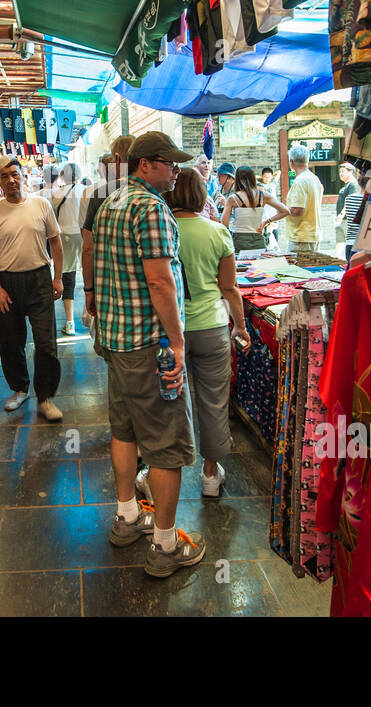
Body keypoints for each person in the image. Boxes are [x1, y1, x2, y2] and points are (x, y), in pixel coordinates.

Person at [88, 131, 207, 578]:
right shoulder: (151, 208)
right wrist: (177, 343)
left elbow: (101, 270)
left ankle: (126, 517)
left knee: (124, 429)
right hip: (149, 346)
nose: (176, 170)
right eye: (169, 162)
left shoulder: (112, 204)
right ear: (145, 165)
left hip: (117, 342)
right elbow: (161, 281)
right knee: (165, 446)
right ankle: (165, 543)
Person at [149, 167, 250, 498]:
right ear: (202, 195)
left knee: (167, 399)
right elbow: (230, 288)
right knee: (213, 400)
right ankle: (210, 474)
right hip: (211, 327)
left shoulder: (161, 230)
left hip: (168, 329)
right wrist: (241, 326)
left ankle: (161, 472)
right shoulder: (218, 232)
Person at [0, 155, 64, 421]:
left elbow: (56, 243)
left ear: (23, 175)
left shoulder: (41, 205)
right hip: (8, 283)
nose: (11, 180)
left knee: (46, 343)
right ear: (0, 182)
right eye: (5, 177)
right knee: (11, 342)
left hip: (39, 280)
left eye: (14, 174)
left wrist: (58, 277)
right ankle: (19, 388)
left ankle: (45, 397)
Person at [80, 135, 133, 345]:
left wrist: (89, 290)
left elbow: (88, 249)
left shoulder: (102, 194)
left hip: (110, 284)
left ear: (117, 159)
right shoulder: (155, 191)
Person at [44, 162, 85, 335]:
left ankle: (70, 323)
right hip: (85, 236)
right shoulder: (87, 191)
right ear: (79, 175)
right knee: (90, 273)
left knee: (68, 277)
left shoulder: (56, 194)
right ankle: (92, 314)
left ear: (63, 176)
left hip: (64, 237)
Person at [223, 165, 291, 255]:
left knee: (242, 267)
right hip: (258, 239)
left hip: (239, 240)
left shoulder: (233, 198)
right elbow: (286, 211)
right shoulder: (264, 196)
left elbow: (224, 223)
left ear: (237, 180)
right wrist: (267, 222)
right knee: (258, 267)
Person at [284, 144, 324, 253]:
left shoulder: (300, 181)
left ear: (291, 162)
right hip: (312, 235)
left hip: (301, 238)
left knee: (299, 270)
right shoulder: (315, 179)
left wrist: (281, 209)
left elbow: (298, 210)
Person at [335, 162, 361, 254]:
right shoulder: (347, 185)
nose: (341, 174)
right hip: (342, 220)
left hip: (347, 219)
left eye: (343, 171)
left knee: (345, 242)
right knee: (340, 241)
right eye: (340, 172)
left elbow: (350, 200)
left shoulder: (353, 184)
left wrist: (342, 214)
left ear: (350, 172)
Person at [258, 167, 282, 251]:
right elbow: (252, 177)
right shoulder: (259, 185)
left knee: (275, 237)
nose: (267, 179)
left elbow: (279, 172)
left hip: (273, 216)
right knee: (266, 238)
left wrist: (272, 175)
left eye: (269, 177)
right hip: (264, 216)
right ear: (261, 176)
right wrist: (260, 177)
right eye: (265, 177)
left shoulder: (273, 184)